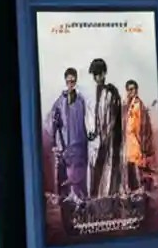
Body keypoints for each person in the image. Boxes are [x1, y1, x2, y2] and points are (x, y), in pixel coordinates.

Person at [48, 67, 89, 204]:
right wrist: (56, 143)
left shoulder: (81, 100)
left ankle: (81, 202)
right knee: (66, 178)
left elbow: (86, 120)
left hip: (79, 144)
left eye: (73, 81)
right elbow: (53, 124)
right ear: (65, 81)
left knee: (80, 176)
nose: (71, 83)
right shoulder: (60, 102)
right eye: (68, 81)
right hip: (66, 145)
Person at [87, 58, 122, 199]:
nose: (97, 78)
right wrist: (95, 132)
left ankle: (111, 199)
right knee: (97, 167)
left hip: (112, 137)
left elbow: (114, 117)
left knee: (111, 167)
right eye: (95, 75)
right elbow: (97, 116)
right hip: (100, 137)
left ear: (104, 73)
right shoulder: (96, 92)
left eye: (99, 74)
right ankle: (97, 199)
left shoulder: (111, 92)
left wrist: (107, 134)